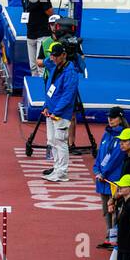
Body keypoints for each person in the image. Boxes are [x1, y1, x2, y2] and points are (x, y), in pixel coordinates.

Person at [42, 41, 79, 183]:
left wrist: (56, 112)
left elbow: (67, 96)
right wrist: (46, 106)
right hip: (51, 111)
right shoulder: (55, 66)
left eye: (56, 56)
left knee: (60, 141)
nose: (53, 58)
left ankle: (62, 172)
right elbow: (50, 88)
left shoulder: (71, 73)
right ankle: (56, 168)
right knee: (52, 141)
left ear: (64, 55)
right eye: (52, 55)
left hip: (61, 114)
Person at [92, 107, 128, 248]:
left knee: (114, 209)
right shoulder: (106, 133)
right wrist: (96, 169)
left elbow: (116, 158)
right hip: (102, 179)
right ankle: (109, 236)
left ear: (120, 118)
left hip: (113, 179)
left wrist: (103, 173)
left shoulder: (123, 135)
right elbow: (100, 153)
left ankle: (115, 239)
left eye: (113, 117)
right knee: (106, 210)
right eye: (109, 117)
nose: (110, 119)